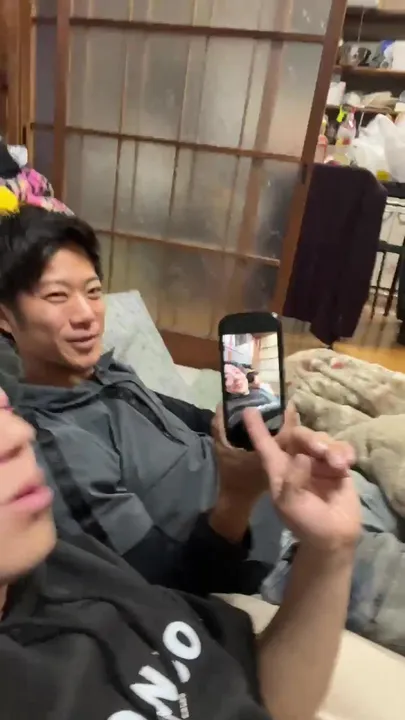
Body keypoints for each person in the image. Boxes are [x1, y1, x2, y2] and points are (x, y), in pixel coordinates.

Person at [0, 389, 360, 720]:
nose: (20, 434)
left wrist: (329, 552)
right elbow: (181, 573)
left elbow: (254, 694)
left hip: (297, 511)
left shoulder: (73, 563)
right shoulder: (64, 442)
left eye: (3, 409)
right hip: (260, 557)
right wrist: (235, 502)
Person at [0, 206, 290, 594]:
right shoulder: (59, 448)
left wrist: (248, 426)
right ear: (5, 317)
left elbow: (189, 417)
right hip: (273, 553)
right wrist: (239, 495)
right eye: (57, 295)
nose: (87, 315)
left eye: (93, 292)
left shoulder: (105, 373)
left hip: (285, 481)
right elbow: (171, 582)